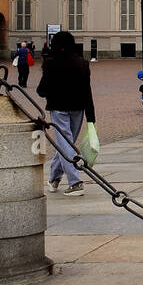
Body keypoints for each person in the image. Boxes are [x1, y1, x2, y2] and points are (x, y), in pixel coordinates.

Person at [36, 30, 96, 196]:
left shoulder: (51, 62)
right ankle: (54, 178)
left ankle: (75, 182)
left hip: (59, 107)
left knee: (65, 143)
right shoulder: (82, 63)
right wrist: (91, 116)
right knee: (66, 144)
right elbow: (87, 90)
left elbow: (42, 89)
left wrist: (45, 92)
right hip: (79, 108)